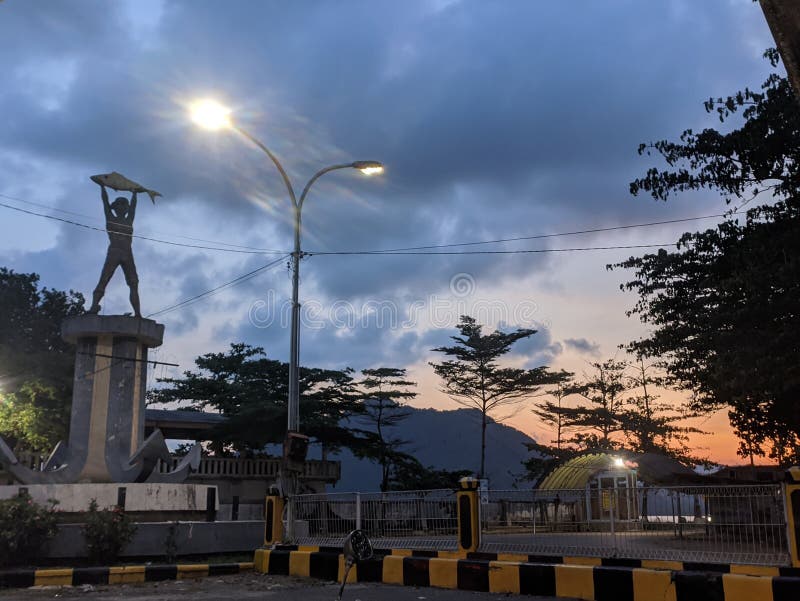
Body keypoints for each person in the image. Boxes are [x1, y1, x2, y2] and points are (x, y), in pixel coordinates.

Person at [88, 184, 141, 317]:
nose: (122, 207)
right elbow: (105, 203)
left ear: (127, 208)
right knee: (104, 279)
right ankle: (94, 306)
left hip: (128, 253)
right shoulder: (111, 218)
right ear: (114, 207)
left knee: (134, 283)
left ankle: (138, 313)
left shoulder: (129, 220)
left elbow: (134, 207)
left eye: (124, 204)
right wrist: (102, 187)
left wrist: (134, 194)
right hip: (114, 251)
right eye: (119, 204)